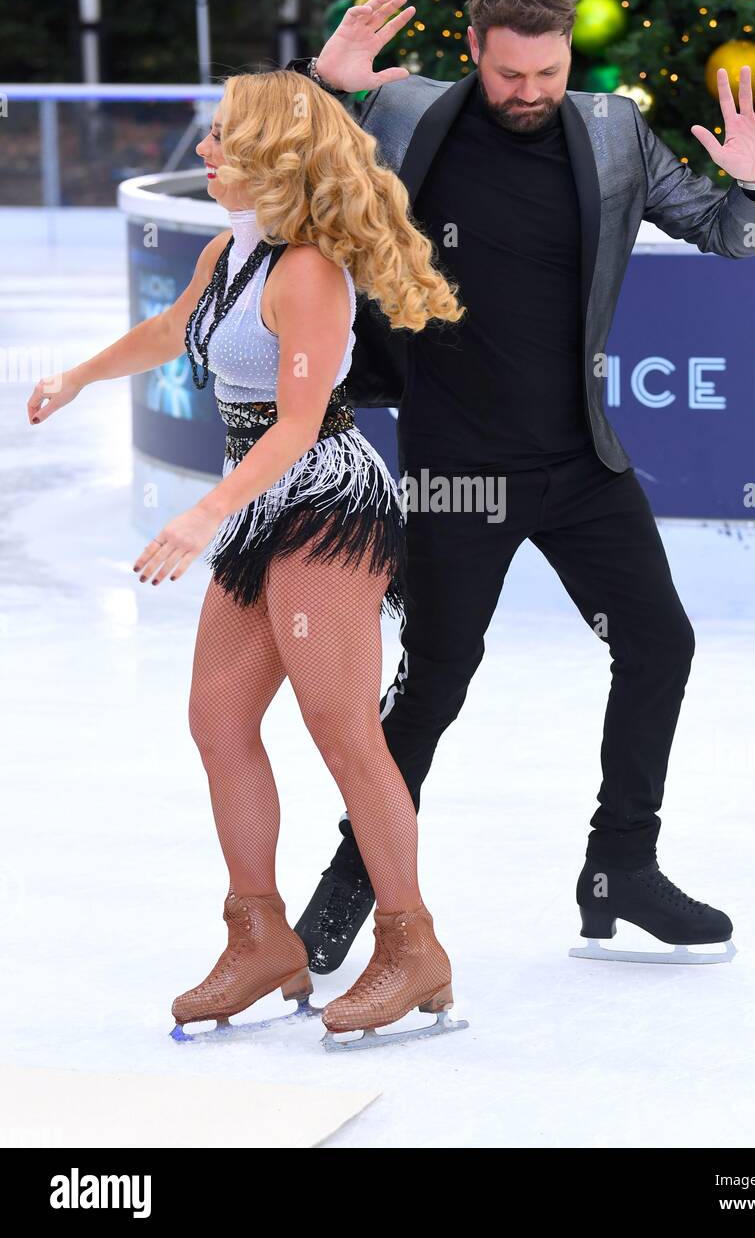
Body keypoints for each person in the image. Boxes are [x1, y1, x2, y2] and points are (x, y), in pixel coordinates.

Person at [289, 0, 755, 969]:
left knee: (660, 643)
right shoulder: (401, 115)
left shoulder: (610, 130)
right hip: (454, 465)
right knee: (433, 680)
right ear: (473, 46)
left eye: (548, 74)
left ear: (570, 53)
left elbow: (722, 233)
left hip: (578, 461)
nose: (528, 93)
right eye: (509, 73)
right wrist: (317, 88)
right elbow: (272, 190)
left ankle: (620, 869)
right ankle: (355, 882)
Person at [26, 68, 467, 1042]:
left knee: (339, 725)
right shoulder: (231, 250)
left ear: (274, 155)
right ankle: (261, 934)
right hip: (259, 505)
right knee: (218, 719)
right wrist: (80, 375)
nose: (208, 153)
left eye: (226, 139)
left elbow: (301, 422)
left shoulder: (307, 269)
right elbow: (172, 328)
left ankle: (411, 942)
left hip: (321, 499)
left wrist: (202, 514)